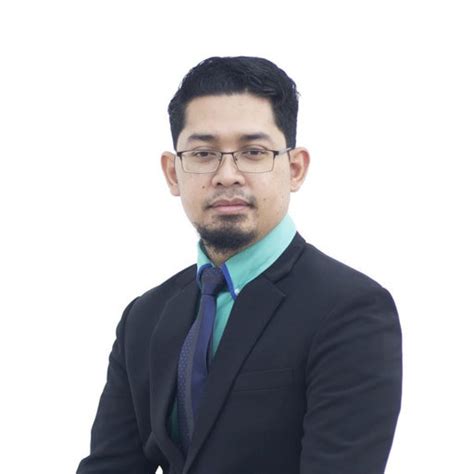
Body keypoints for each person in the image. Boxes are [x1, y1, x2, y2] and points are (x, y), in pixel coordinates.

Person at [76, 56, 402, 474]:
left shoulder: (351, 310)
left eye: (253, 152)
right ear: (173, 173)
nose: (227, 175)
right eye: (203, 153)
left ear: (295, 168)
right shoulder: (145, 317)